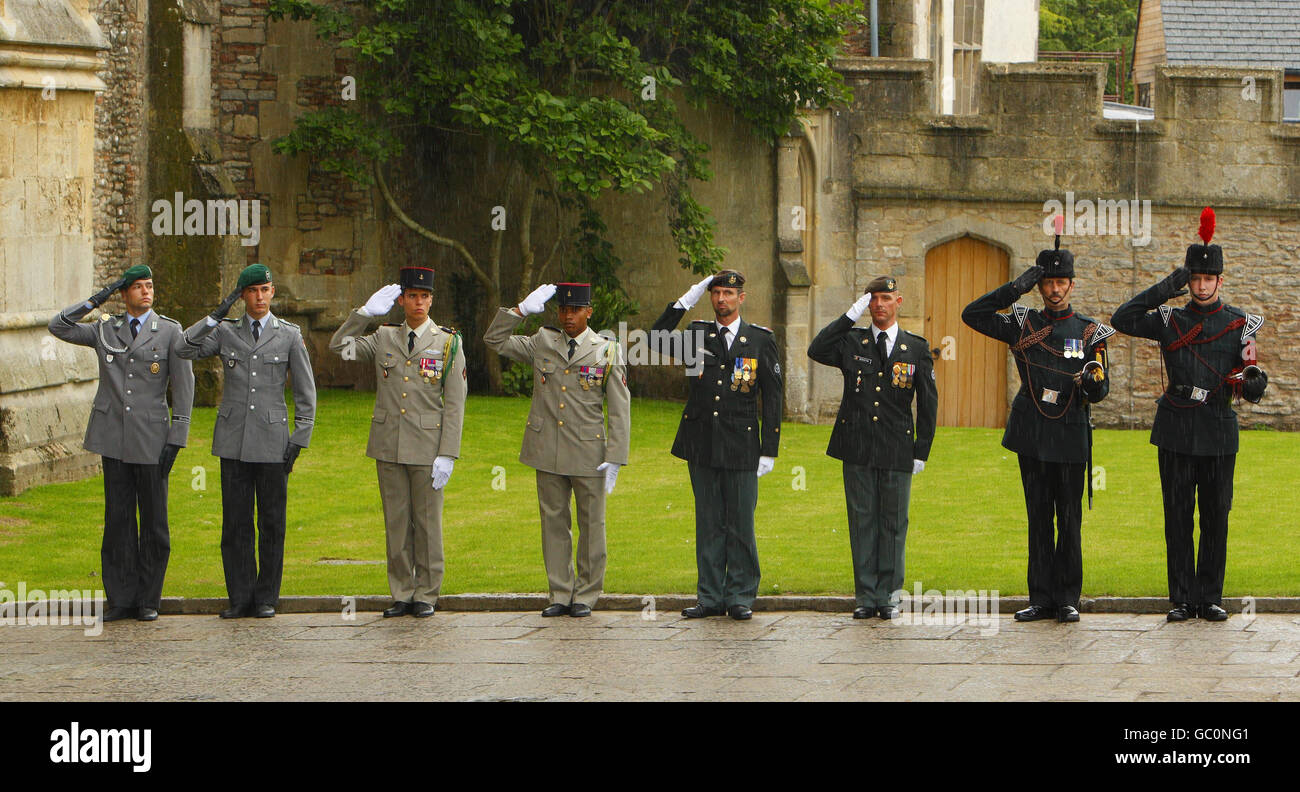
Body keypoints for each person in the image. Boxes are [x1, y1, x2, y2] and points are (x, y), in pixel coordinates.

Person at [1111, 208, 1267, 623]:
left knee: (1216, 518)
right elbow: (1122, 318)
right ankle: (1181, 598)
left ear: (1220, 281)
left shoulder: (1240, 324)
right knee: (1178, 517)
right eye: (1194, 278)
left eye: (1207, 278)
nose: (1200, 285)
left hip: (1217, 429)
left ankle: (1209, 597)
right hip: (1176, 428)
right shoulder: (1170, 319)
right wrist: (1169, 285)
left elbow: (1251, 374)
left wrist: (1254, 383)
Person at [962, 227, 1112, 624]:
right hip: (1032, 434)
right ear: (1040, 286)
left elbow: (1102, 387)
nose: (1054, 290)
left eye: (1061, 282)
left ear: (1072, 284)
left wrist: (1091, 383)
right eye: (1047, 283)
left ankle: (1067, 599)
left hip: (1070, 432)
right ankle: (1041, 598)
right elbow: (972, 315)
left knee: (1070, 520)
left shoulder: (1089, 331)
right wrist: (1016, 287)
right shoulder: (1022, 323)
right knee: (1039, 518)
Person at [47, 265, 194, 622]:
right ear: (124, 294)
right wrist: (95, 300)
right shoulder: (105, 328)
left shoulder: (170, 331)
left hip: (152, 439)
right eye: (138, 287)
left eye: (149, 285)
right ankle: (122, 598)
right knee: (118, 520)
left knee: (154, 522)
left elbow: (184, 387)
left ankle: (148, 599)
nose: (146, 292)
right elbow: (59, 326)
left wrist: (178, 437)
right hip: (113, 437)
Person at [177, 264, 316, 619]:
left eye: (264, 290)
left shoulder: (289, 335)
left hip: (273, 440)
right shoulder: (225, 332)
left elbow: (305, 391)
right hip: (234, 440)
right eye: (252, 291)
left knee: (272, 523)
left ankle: (266, 597)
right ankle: (239, 597)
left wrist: (300, 437)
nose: (259, 297)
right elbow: (184, 347)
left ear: (272, 292)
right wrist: (216, 314)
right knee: (236, 523)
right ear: (242, 296)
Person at [484, 282, 630, 617]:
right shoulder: (543, 342)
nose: (568, 316)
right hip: (547, 447)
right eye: (563, 310)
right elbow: (495, 340)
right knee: (553, 523)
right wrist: (519, 311)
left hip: (588, 451)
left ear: (589, 312)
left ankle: (586, 595)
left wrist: (616, 457)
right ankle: (560, 593)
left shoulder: (607, 350)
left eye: (575, 310)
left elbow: (620, 408)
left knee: (592, 525)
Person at [329, 266, 466, 618]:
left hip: (427, 446)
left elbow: (455, 402)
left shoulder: (448, 342)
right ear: (401, 300)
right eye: (412, 296)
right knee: (397, 522)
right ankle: (402, 592)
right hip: (389, 443)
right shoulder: (384, 336)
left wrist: (448, 453)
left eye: (424, 296)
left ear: (431, 300)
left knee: (428, 524)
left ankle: (427, 594)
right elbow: (340, 347)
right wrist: (363, 314)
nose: (418, 302)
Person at [651, 270, 782, 621]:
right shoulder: (696, 335)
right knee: (708, 521)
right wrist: (684, 301)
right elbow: (654, 338)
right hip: (702, 441)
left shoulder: (760, 340)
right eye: (716, 293)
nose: (721, 299)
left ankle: (740, 595)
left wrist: (769, 448)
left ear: (741, 297)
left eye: (728, 293)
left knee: (740, 522)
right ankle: (709, 596)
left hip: (741, 444)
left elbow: (773, 397)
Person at [807, 276, 937, 620]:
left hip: (897, 448)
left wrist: (921, 450)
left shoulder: (916, 348)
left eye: (886, 298)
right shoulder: (853, 341)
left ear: (898, 302)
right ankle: (866, 596)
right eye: (873, 299)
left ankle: (889, 597)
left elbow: (928, 404)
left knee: (893, 524)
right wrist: (849, 316)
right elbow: (817, 349)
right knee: (862, 521)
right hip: (858, 445)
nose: (879, 304)